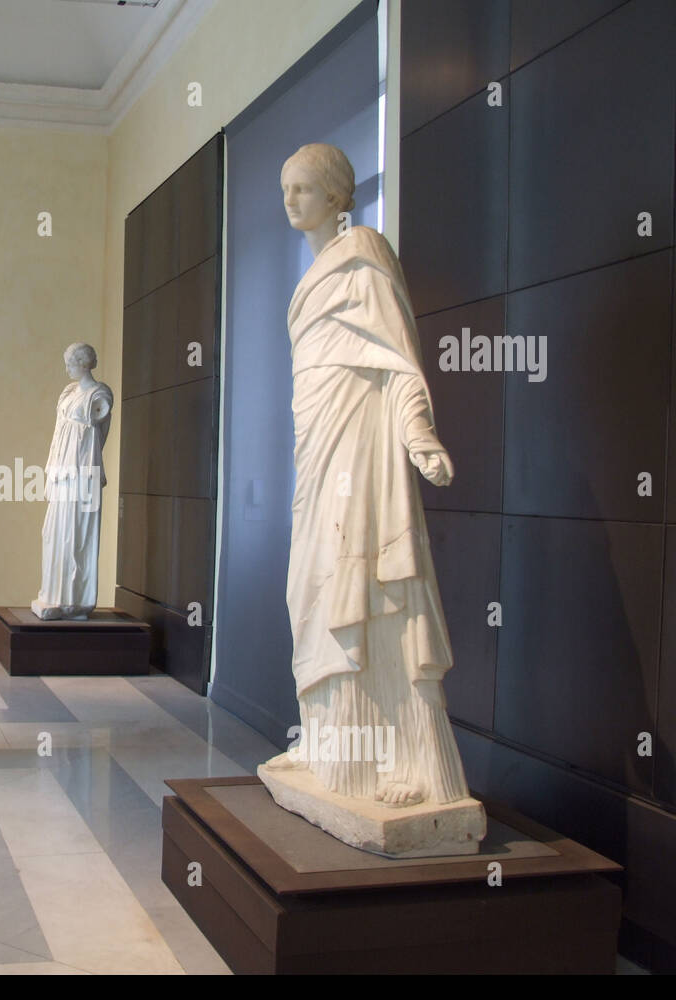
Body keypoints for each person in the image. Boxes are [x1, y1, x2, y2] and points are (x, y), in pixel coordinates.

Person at [263, 143, 468, 808]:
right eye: (285, 189)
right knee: (312, 584)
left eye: (302, 189)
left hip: (360, 438)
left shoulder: (366, 257)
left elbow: (400, 362)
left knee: (362, 580)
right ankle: (328, 742)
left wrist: (417, 432)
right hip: (317, 437)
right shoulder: (316, 269)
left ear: (335, 195)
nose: (290, 201)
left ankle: (394, 755)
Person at [31, 342, 114, 621]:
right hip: (61, 473)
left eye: (70, 363)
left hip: (81, 474)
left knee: (75, 534)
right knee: (53, 532)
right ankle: (54, 594)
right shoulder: (68, 393)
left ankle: (73, 599)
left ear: (83, 363)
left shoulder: (99, 395)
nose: (66, 368)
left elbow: (97, 437)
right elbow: (58, 435)